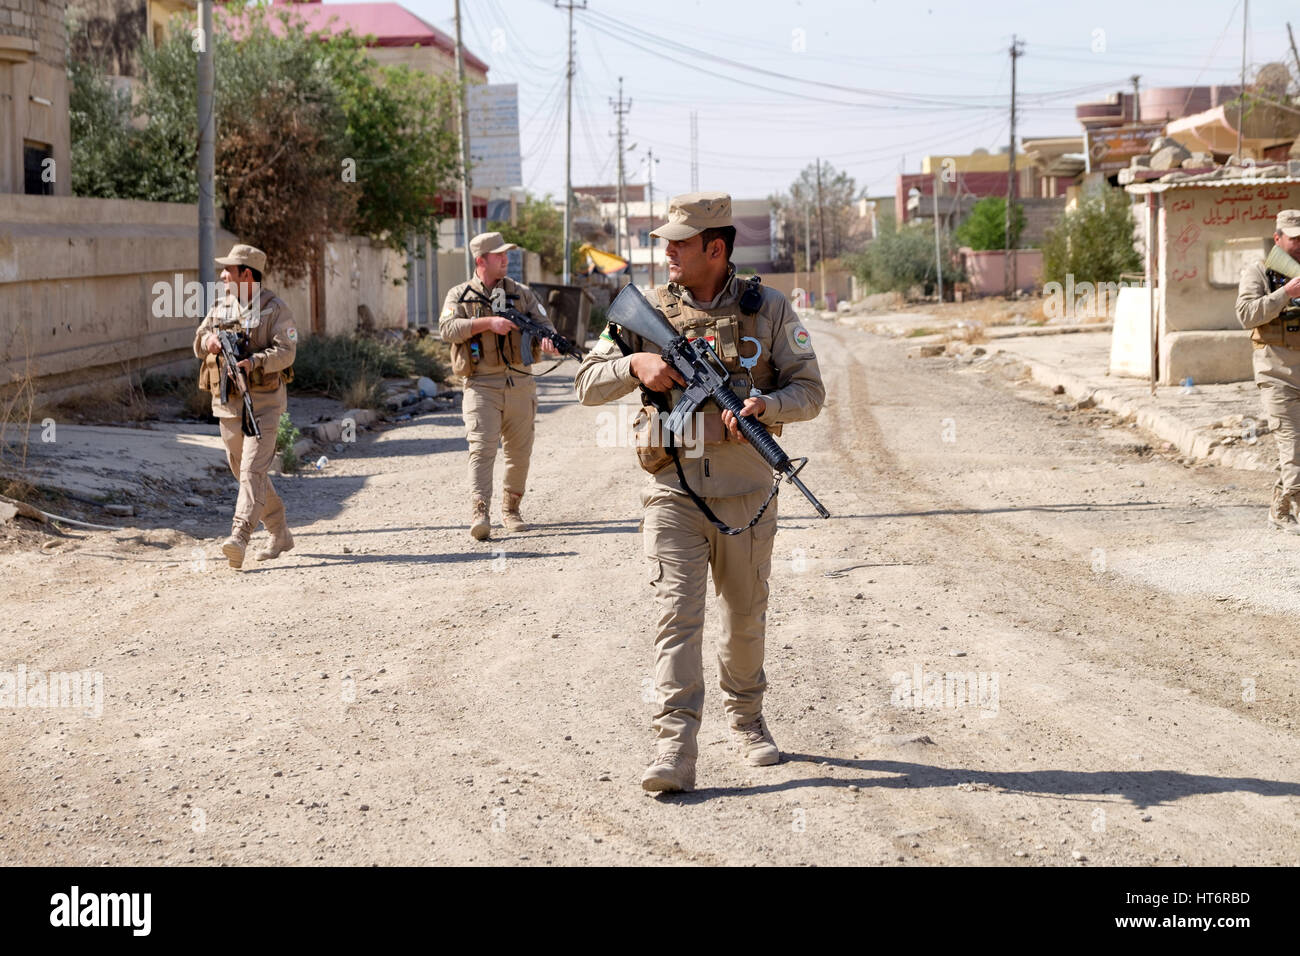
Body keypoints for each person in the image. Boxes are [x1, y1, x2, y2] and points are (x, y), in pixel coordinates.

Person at [574, 191, 825, 792]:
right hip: (672, 492)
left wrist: (767, 404)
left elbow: (811, 391)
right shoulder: (643, 312)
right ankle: (674, 748)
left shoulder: (769, 309)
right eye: (665, 244)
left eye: (678, 244)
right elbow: (586, 381)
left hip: (747, 493)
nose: (667, 254)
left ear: (715, 248)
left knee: (744, 619)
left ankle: (746, 719)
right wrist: (634, 368)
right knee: (676, 618)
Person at [440, 232, 559, 540]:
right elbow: (448, 329)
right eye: (499, 255)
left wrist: (548, 340)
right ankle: (480, 511)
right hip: (481, 384)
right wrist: (486, 323)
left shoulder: (522, 293)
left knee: (519, 453)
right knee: (481, 449)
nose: (506, 259)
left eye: (506, 254)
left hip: (520, 381)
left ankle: (511, 509)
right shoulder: (460, 295)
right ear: (481, 260)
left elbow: (546, 325)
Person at [193, 243, 297, 569]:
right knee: (243, 470)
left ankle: (239, 536)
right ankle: (279, 532)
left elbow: (287, 351)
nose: (223, 275)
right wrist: (208, 342)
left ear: (247, 275)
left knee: (253, 468)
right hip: (227, 405)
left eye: (229, 270)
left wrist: (255, 362)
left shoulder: (275, 310)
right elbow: (198, 341)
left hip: (263, 404)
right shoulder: (221, 307)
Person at [1236, 209, 1300, 532]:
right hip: (1276, 375)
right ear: (1278, 239)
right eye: (1295, 239)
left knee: (1295, 447)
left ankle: (1280, 506)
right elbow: (1246, 315)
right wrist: (1286, 294)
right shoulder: (1259, 273)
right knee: (1291, 442)